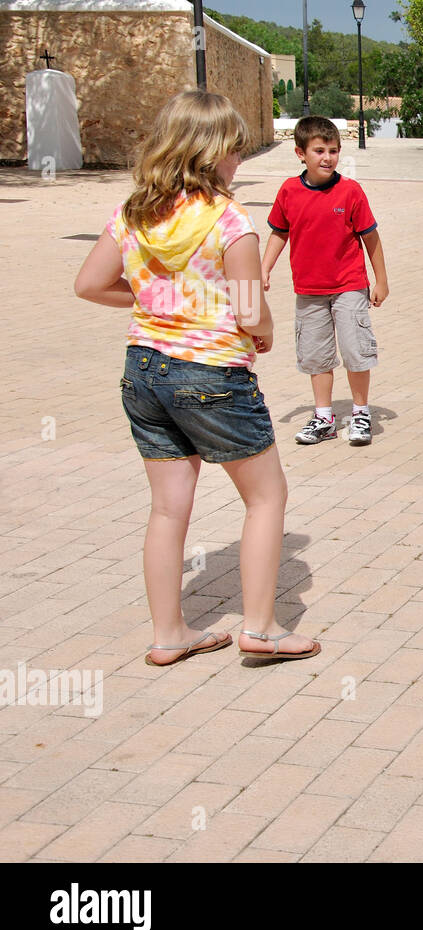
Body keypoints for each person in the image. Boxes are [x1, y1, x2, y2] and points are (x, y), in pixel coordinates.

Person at [73, 90, 320, 666]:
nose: (239, 162)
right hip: (211, 374)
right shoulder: (228, 219)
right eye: (234, 151)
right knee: (265, 497)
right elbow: (249, 306)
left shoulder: (133, 212)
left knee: (166, 509)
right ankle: (260, 627)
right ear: (211, 154)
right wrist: (265, 333)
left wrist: (157, 302)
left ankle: (169, 635)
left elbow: (89, 284)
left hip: (145, 371)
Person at [261, 116, 389, 447]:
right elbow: (279, 232)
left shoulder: (350, 191)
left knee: (355, 350)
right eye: (319, 150)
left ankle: (361, 413)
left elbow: (370, 238)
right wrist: (264, 268)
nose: (327, 157)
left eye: (333, 150)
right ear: (300, 153)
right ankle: (324, 417)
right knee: (316, 356)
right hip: (309, 290)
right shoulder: (289, 191)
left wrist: (381, 281)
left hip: (348, 285)